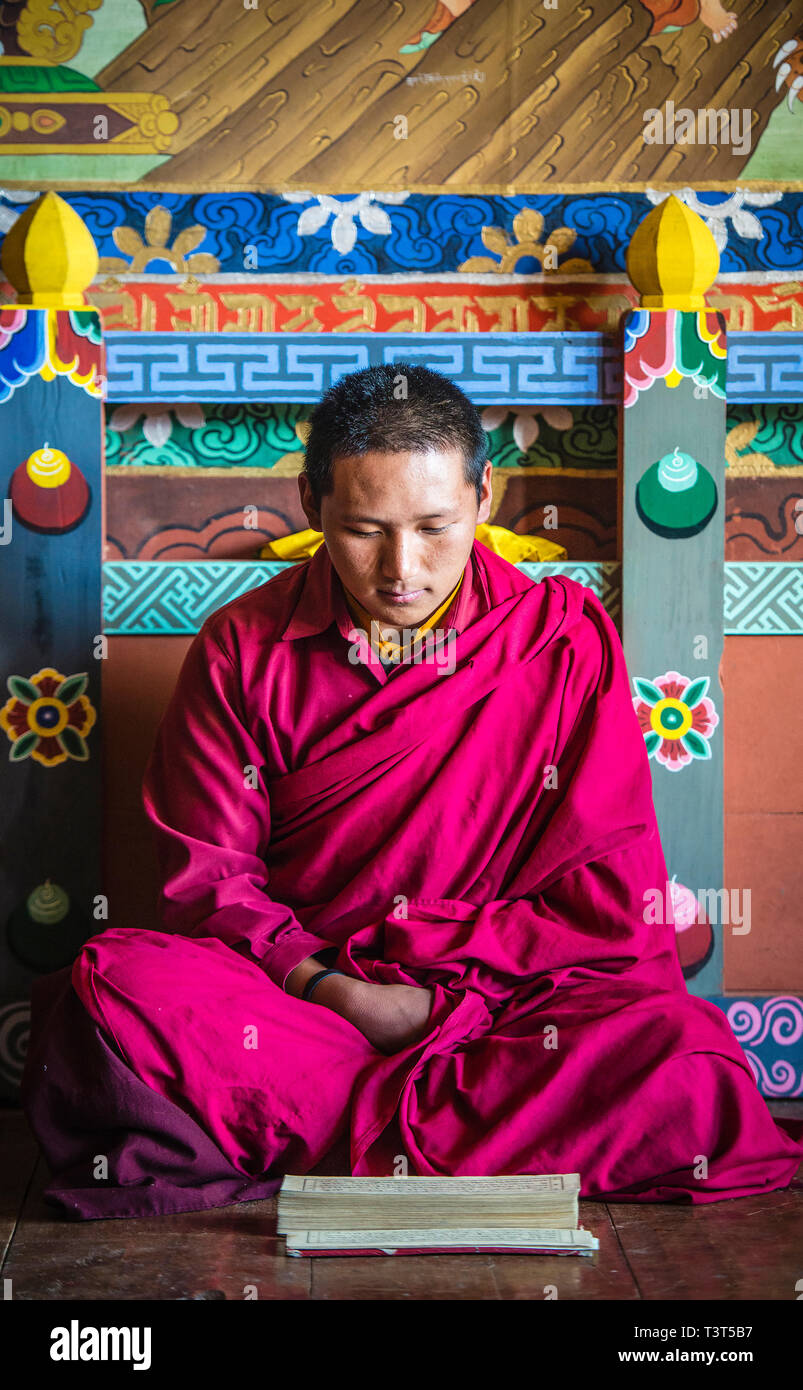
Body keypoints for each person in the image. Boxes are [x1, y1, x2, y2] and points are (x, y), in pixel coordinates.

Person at [22, 363, 801, 1219]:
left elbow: (605, 899)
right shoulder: (243, 646)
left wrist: (435, 999)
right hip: (306, 1008)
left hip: (502, 1010)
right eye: (362, 530)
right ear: (309, 501)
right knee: (117, 985)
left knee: (682, 1056)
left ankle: (308, 1136)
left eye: (435, 527)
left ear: (484, 497)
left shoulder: (560, 641)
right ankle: (457, 1141)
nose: (402, 569)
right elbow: (208, 883)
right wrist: (335, 990)